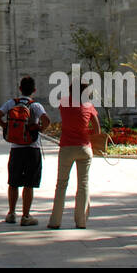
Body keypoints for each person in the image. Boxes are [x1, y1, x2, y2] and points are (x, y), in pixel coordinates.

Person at [0, 75, 50, 226]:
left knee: (13, 182)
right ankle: (26, 216)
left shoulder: (11, 103)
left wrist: (7, 127)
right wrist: (39, 130)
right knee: (29, 183)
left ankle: (11, 213)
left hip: (16, 148)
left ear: (20, 89)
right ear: (34, 90)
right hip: (32, 148)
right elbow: (47, 120)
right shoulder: (36, 106)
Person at [48, 86, 100, 228]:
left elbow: (66, 117)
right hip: (84, 147)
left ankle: (55, 221)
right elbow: (97, 129)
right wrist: (85, 131)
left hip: (66, 147)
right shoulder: (88, 105)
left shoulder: (64, 102)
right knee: (83, 184)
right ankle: (81, 221)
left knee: (61, 184)